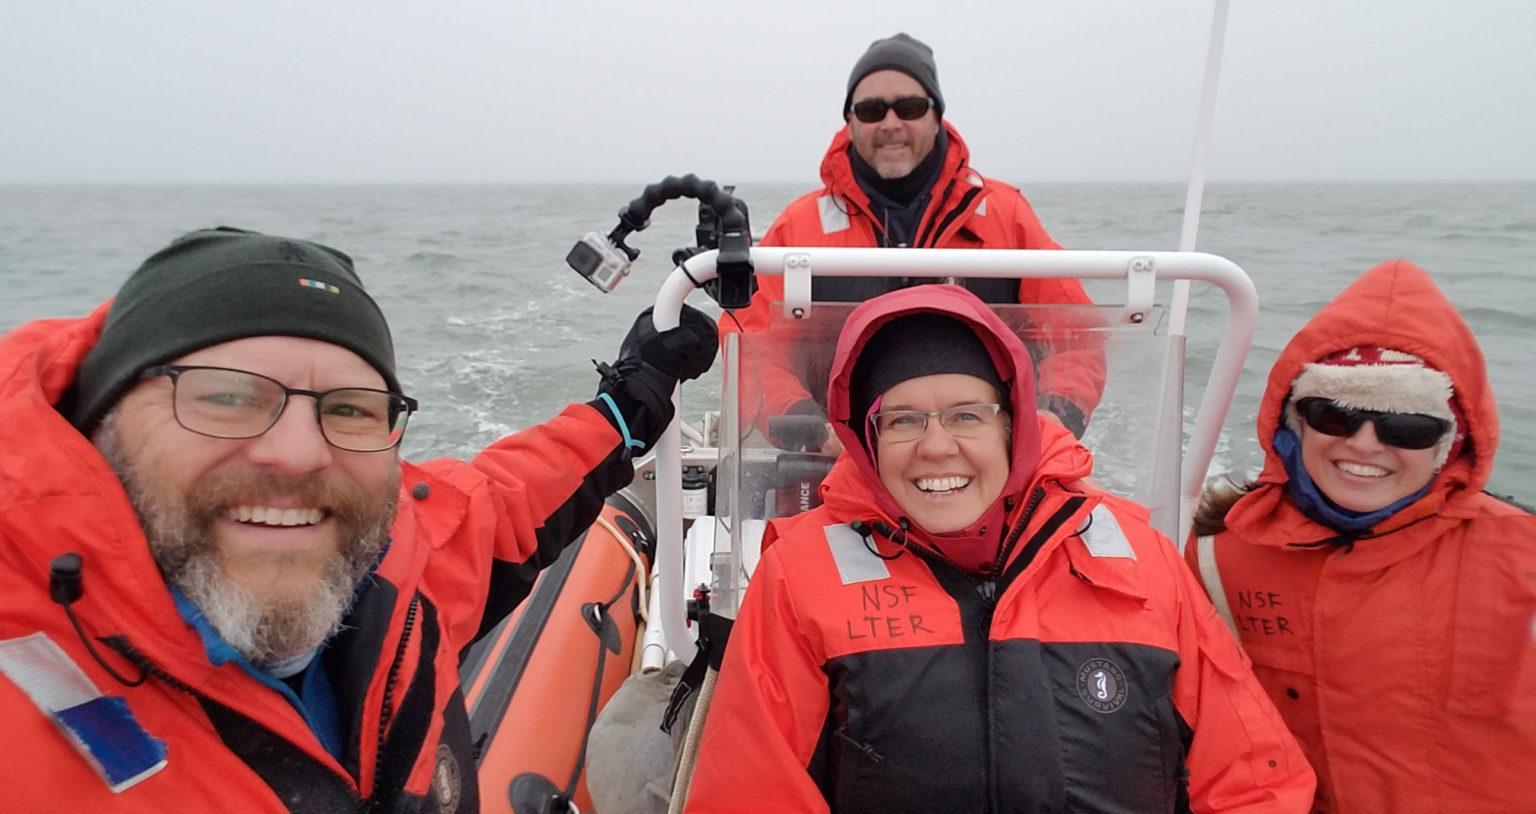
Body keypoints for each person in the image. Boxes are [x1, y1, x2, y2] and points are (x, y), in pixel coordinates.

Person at [0, 227, 717, 812]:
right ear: (99, 424)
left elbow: (504, 503)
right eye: (225, 399)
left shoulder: (388, 563)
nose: (298, 453)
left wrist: (631, 400)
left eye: (348, 409)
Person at [684, 284, 1314, 812]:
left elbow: (1254, 783)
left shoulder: (1145, 559)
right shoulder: (799, 575)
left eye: (966, 415)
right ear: (866, 440)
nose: (935, 447)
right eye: (902, 420)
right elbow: (749, 791)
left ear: (1015, 425)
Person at [1188, 259, 1536, 813]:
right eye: (1335, 415)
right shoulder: (1212, 562)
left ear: (1451, 442)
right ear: (1294, 422)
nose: (1366, 444)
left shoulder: (1524, 562)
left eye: (1407, 427)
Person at [726, 32, 1105, 441]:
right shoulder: (799, 228)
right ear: (850, 121)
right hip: (838, 456)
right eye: (871, 110)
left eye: (909, 107)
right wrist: (806, 428)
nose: (891, 124)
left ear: (936, 115)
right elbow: (749, 344)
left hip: (984, 461)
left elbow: (1077, 337)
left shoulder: (1006, 215)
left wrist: (1049, 419)